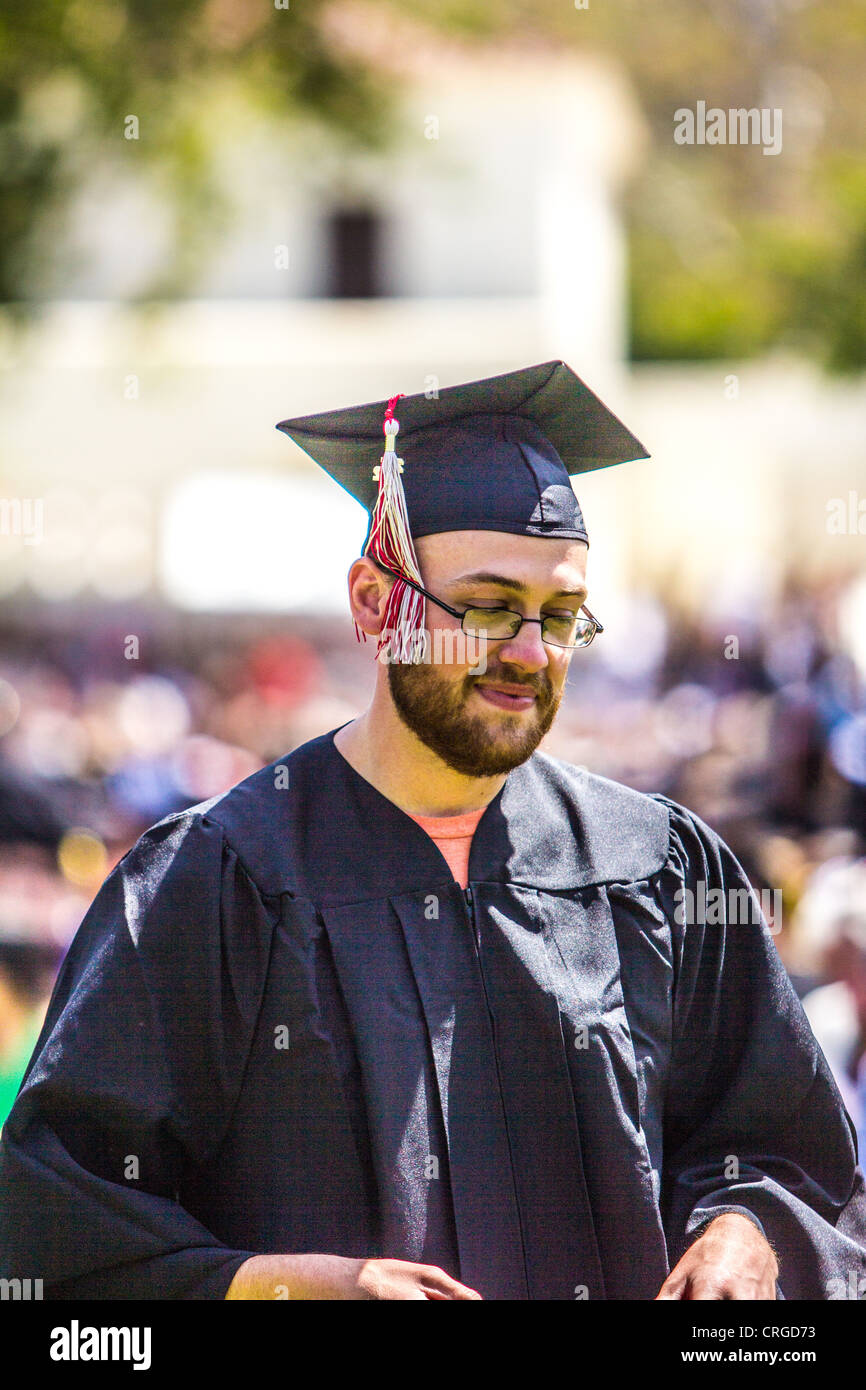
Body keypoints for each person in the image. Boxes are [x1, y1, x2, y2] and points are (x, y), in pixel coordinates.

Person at [1, 360, 865, 1301]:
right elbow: (59, 1237)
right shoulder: (214, 883)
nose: (531, 653)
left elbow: (789, 1153)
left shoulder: (652, 866)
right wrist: (289, 1287)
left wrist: (746, 1233)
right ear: (377, 604)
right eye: (488, 608)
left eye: (563, 616)